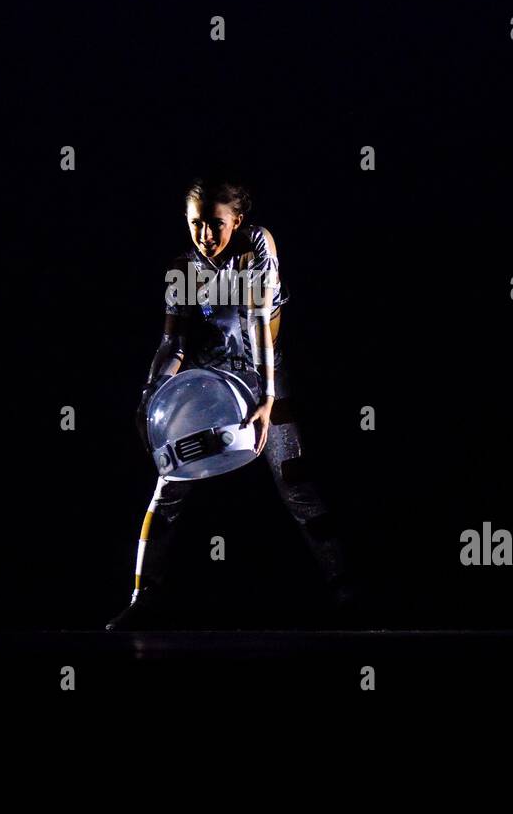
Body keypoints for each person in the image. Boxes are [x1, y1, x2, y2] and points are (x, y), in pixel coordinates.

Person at [105, 178, 355, 629]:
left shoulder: (257, 245)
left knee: (293, 481)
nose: (205, 234)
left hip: (266, 375)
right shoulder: (184, 267)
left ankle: (345, 590)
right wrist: (149, 397)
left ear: (236, 220)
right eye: (196, 224)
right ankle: (142, 597)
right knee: (170, 480)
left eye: (215, 224)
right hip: (213, 380)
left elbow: (259, 319)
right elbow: (173, 344)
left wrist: (268, 397)